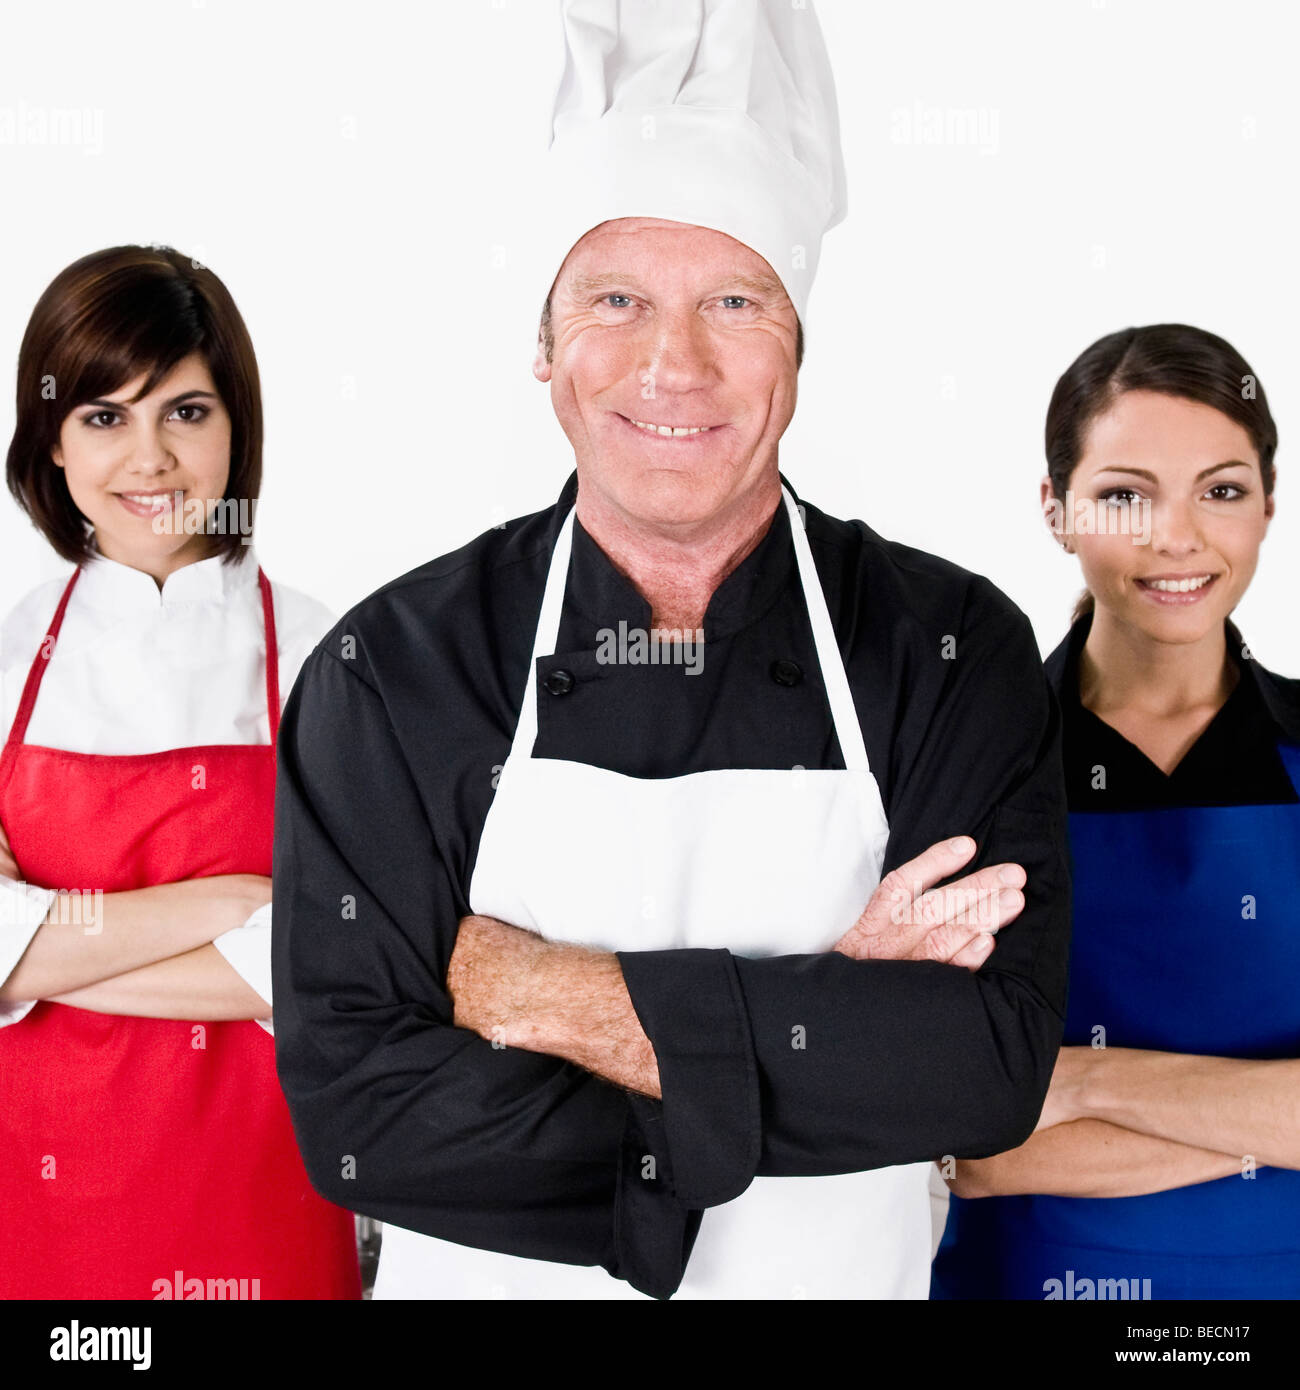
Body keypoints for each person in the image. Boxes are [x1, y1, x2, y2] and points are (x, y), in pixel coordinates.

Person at [272, 0, 1071, 1300]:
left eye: (735, 299)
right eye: (618, 297)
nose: (674, 364)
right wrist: (820, 1018)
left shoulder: (946, 649)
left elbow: (985, 1064)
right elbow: (359, 1111)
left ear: (799, 343)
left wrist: (547, 992)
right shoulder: (394, 667)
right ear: (543, 346)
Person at [0, 245, 361, 1300]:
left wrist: (35, 960)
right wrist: (234, 902)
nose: (150, 457)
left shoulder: (330, 659)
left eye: (186, 412)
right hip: (42, 1218)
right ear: (54, 447)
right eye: (105, 416)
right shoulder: (5, 659)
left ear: (237, 425)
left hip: (266, 1207)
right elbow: (279, 941)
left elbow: (341, 960)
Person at [931, 323, 1300, 1300]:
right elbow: (969, 1147)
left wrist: (1080, 1085)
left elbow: (1017, 1121)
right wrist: (1265, 1115)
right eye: (1123, 495)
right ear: (1055, 510)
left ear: (1268, 504)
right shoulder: (960, 770)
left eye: (1220, 490)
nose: (1174, 536)